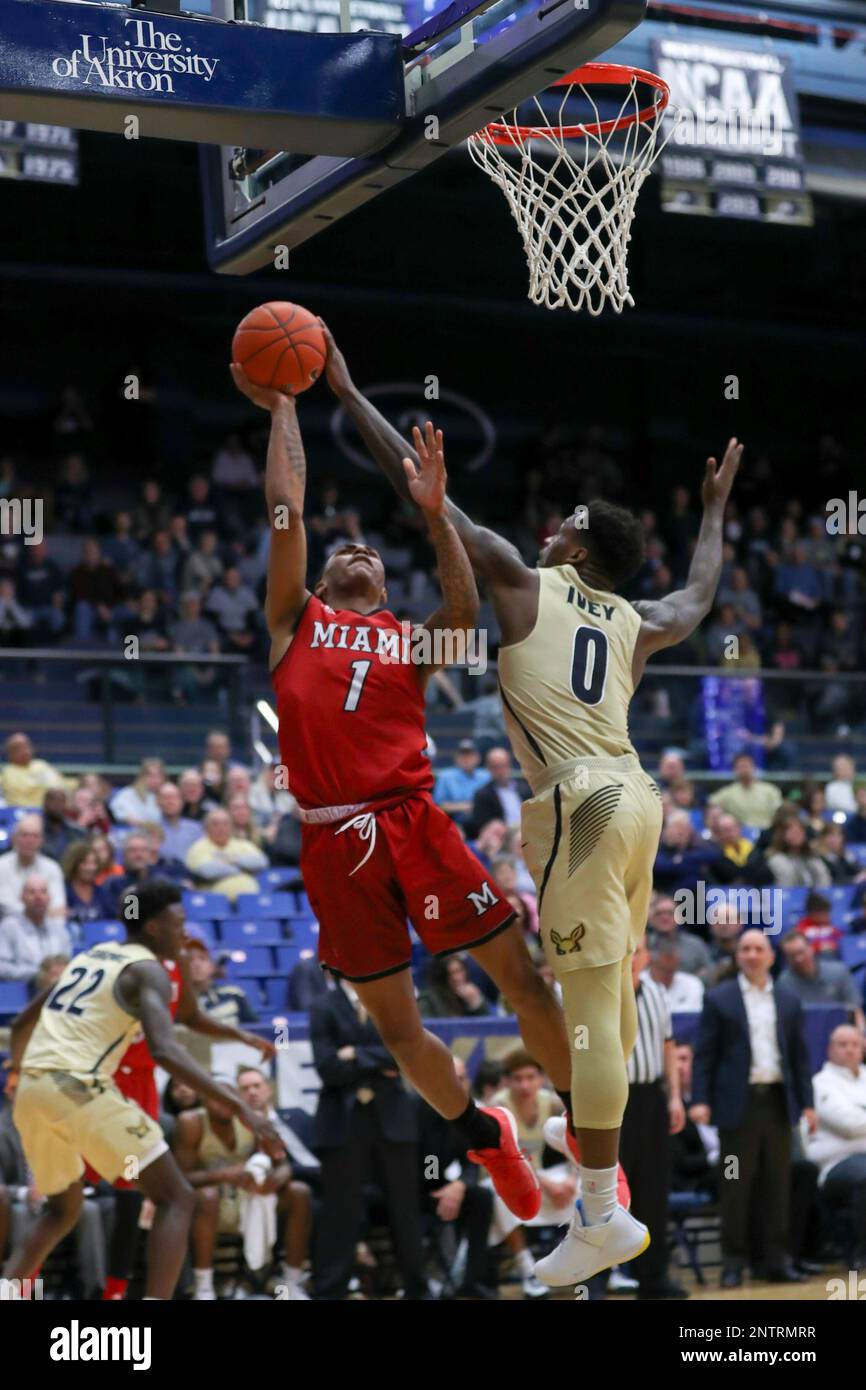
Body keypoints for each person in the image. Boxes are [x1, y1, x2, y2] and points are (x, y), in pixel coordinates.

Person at [324, 321, 743, 1285]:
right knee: (597, 1000)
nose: (549, 524)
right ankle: (600, 1206)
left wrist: (347, 393)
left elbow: (427, 498)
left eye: (565, 520)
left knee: (588, 1009)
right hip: (640, 798)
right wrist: (716, 509)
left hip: (579, 803)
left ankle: (599, 1209)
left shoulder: (523, 579)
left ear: (576, 542)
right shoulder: (638, 623)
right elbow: (699, 596)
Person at [231, 356, 580, 1227]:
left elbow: (462, 619)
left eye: (375, 555)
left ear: (387, 589)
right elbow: (287, 512)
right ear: (318, 581)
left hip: (413, 821)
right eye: (344, 550)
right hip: (331, 839)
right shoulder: (293, 623)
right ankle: (483, 1136)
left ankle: (586, 1128)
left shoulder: (408, 642)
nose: (357, 549)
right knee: (395, 1028)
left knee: (524, 982)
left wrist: (436, 521)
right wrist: (283, 406)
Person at [2, 881, 279, 1300]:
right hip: (80, 1088)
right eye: (178, 924)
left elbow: (22, 1023)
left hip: (33, 1093)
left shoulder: (89, 956)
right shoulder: (148, 969)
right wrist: (241, 1106)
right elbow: (165, 1051)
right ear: (152, 927)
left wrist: (21, 1073)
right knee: (177, 1197)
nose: (184, 934)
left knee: (63, 1209)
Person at [690, 929, 816, 1287]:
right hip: (736, 1109)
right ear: (738, 956)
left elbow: (799, 1058)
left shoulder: (789, 1001)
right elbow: (705, 1056)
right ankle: (733, 1263)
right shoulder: (719, 999)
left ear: (771, 956)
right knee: (735, 1184)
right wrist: (700, 1099)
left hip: (777, 1103)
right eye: (745, 948)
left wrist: (807, 1104)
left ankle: (775, 1260)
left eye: (758, 948)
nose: (751, 954)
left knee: (778, 1186)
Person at [173, 1080, 311, 1301]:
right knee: (207, 1196)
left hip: (249, 1198)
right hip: (208, 1206)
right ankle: (204, 1287)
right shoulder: (191, 1122)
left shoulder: (253, 1121)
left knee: (299, 1192)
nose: (224, 1103)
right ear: (205, 1099)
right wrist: (223, 1175)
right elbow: (179, 1179)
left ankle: (292, 1283)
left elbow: (283, 1165)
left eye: (230, 1098)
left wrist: (274, 1181)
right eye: (217, 1097)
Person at [416, 1056, 497, 1299]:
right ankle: (425, 1280)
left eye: (460, 1079)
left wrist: (461, 1185)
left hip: (448, 1186)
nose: (455, 1085)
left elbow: (472, 1160)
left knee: (482, 1197)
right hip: (417, 1189)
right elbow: (427, 1163)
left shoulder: (470, 1115)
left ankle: (472, 1281)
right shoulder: (420, 1111)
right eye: (449, 1079)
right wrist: (442, 1188)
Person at [807, 1024, 866, 1264]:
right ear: (830, 1049)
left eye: (855, 1044)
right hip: (836, 1163)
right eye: (843, 1045)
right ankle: (862, 1252)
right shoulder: (821, 1083)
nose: (850, 1050)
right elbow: (848, 1123)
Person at [779, 932, 865, 1032]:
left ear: (811, 948)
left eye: (801, 952)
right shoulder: (784, 983)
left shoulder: (838, 972)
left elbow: (856, 1011)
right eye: (792, 956)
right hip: (804, 1037)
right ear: (786, 959)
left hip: (840, 1036)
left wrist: (861, 1037)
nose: (798, 959)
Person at [0, 875, 73, 983]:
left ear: (49, 898)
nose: (38, 897)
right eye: (32, 892)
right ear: (22, 898)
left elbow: (69, 964)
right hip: (23, 990)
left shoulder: (59, 929)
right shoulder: (9, 927)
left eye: (43, 892)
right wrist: (39, 974)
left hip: (56, 989)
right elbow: (2, 967)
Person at [185, 807, 268, 901]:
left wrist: (233, 859)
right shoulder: (198, 847)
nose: (221, 828)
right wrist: (242, 869)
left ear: (231, 827)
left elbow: (261, 861)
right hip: (216, 903)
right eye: (215, 824)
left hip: (251, 901)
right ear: (206, 828)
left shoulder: (242, 844)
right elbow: (207, 871)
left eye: (225, 824)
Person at [0, 815, 66, 918]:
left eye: (35, 836)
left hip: (47, 928)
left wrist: (37, 912)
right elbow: (6, 907)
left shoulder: (52, 867)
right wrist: (42, 912)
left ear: (42, 840)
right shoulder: (2, 866)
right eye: (25, 835)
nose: (30, 841)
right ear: (14, 838)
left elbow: (59, 909)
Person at [707, 753, 783, 831]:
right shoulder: (727, 793)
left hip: (767, 831)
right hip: (739, 834)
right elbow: (711, 805)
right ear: (734, 770)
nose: (744, 770)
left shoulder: (770, 790)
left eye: (747, 766)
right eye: (740, 767)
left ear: (754, 768)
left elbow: (779, 811)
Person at [465, 747, 530, 838]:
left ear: (509, 765)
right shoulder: (482, 795)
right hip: (503, 838)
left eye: (503, 765)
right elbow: (481, 825)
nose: (500, 771)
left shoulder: (525, 789)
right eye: (495, 767)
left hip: (528, 831)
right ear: (488, 768)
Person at [433, 738, 491, 824]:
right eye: (463, 755)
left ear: (478, 758)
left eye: (470, 755)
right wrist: (465, 807)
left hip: (482, 823)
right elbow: (439, 806)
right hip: (455, 822)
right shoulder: (446, 776)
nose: (466, 758)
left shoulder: (486, 776)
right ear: (456, 757)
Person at [0, 733, 65, 808]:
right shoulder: (9, 773)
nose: (26, 750)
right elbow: (19, 804)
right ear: (11, 754)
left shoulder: (41, 764)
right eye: (19, 748)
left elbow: (60, 784)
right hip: (30, 814)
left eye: (27, 746)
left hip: (57, 812)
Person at [417, 954, 491, 1018]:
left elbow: (488, 1029)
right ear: (441, 976)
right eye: (450, 973)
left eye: (459, 971)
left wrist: (476, 1005)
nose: (456, 978)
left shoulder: (470, 994)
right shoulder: (428, 999)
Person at [62, 842, 116, 929]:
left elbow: (112, 922)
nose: (91, 868)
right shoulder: (62, 891)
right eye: (85, 863)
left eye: (94, 863)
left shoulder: (102, 893)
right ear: (74, 864)